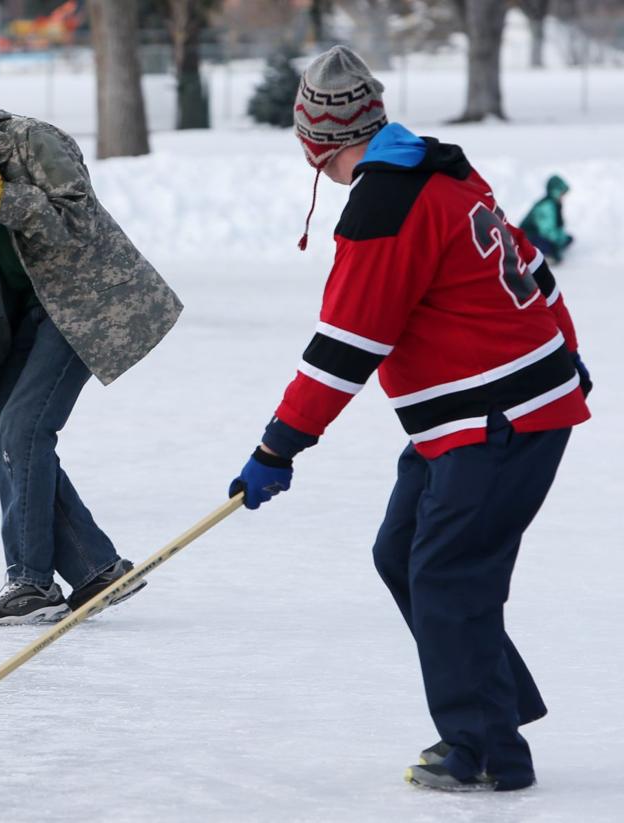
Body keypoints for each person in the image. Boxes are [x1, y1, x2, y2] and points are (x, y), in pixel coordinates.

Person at [228, 47, 592, 792]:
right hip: (475, 416)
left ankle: (485, 749)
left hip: (501, 419)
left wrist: (277, 446)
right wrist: (568, 351)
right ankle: (497, 708)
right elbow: (534, 264)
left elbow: (343, 349)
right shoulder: (438, 165)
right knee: (402, 553)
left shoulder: (386, 207)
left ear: (313, 143)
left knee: (447, 573)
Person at [0, 68, 183, 625]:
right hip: (24, 315)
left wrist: (3, 196)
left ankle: (30, 583)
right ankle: (97, 568)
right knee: (3, 435)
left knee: (23, 431)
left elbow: (79, 224)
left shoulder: (28, 140)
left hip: (88, 302)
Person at [520, 174, 574, 264]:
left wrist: (561, 239)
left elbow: (557, 228)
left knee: (567, 239)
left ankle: (548, 252)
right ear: (555, 192)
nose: (562, 197)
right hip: (528, 238)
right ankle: (536, 257)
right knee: (547, 245)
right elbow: (546, 231)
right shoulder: (546, 206)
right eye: (561, 194)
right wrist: (557, 243)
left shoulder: (555, 205)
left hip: (540, 236)